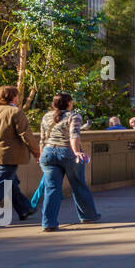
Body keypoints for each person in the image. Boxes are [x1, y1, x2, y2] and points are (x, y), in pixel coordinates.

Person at [0, 85, 40, 229]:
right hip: (9, 155)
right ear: (12, 97)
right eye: (16, 95)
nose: (18, 98)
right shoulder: (15, 112)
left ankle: (24, 208)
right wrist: (37, 152)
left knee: (10, 182)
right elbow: (26, 135)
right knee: (0, 185)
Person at [38, 92, 101, 231]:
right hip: (66, 152)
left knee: (51, 189)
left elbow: (42, 139)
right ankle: (88, 216)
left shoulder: (46, 116)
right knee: (78, 184)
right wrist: (77, 151)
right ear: (69, 103)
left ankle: (48, 223)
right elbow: (74, 135)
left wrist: (41, 155)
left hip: (48, 153)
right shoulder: (73, 116)